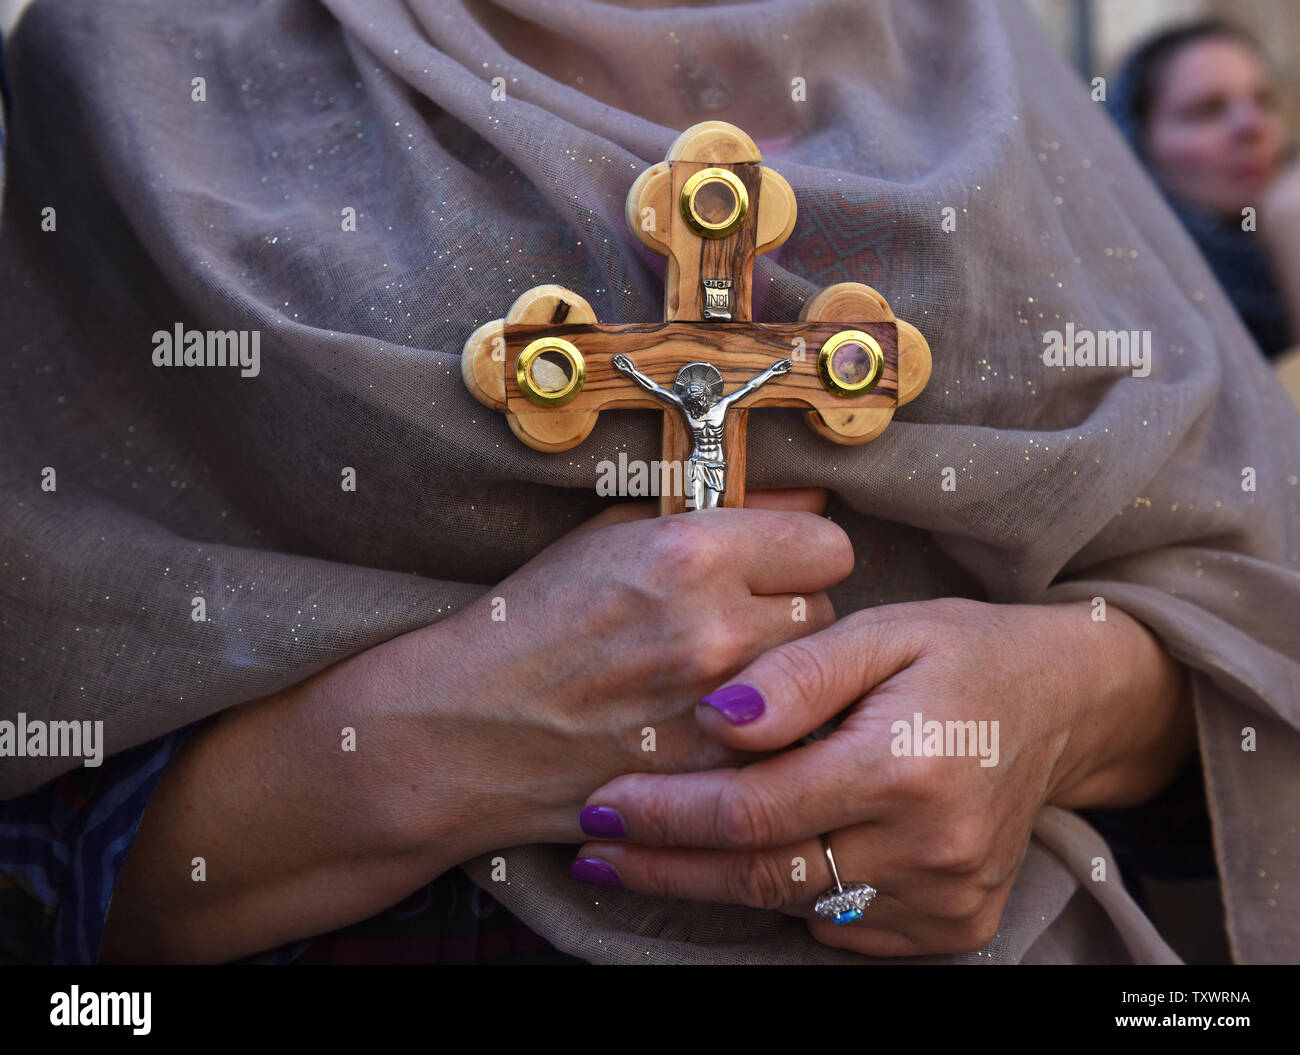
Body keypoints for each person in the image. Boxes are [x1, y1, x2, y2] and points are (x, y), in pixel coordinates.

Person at [1, 0, 1298, 967]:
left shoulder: (972, 40)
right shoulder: (142, 55)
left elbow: (1251, 581)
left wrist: (1069, 702)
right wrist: (402, 753)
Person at [1108, 19, 1300, 359]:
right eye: (1207, 110)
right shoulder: (1127, 310)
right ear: (1139, 145)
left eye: (1264, 101)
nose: (1252, 126)